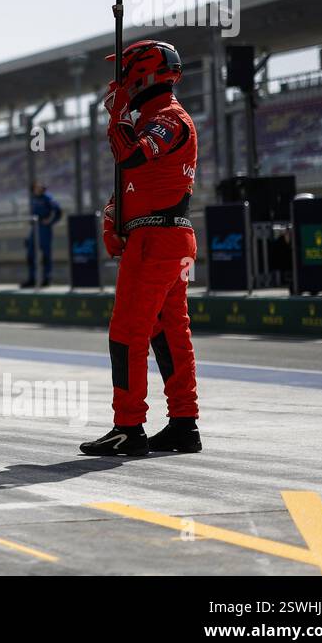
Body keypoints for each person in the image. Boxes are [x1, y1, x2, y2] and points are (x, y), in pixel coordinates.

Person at [81, 40, 201, 457]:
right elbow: (140, 181)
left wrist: (116, 116)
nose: (120, 84)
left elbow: (132, 158)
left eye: (125, 75)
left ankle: (128, 426)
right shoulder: (154, 117)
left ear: (142, 74)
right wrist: (115, 212)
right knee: (169, 332)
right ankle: (184, 423)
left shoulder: (168, 118)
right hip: (165, 235)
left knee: (128, 332)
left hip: (157, 241)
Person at [21, 182, 62, 288]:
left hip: (44, 229)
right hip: (34, 228)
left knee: (46, 254)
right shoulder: (34, 199)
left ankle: (47, 278)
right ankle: (32, 278)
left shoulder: (47, 197)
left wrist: (49, 221)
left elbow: (57, 211)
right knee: (30, 254)